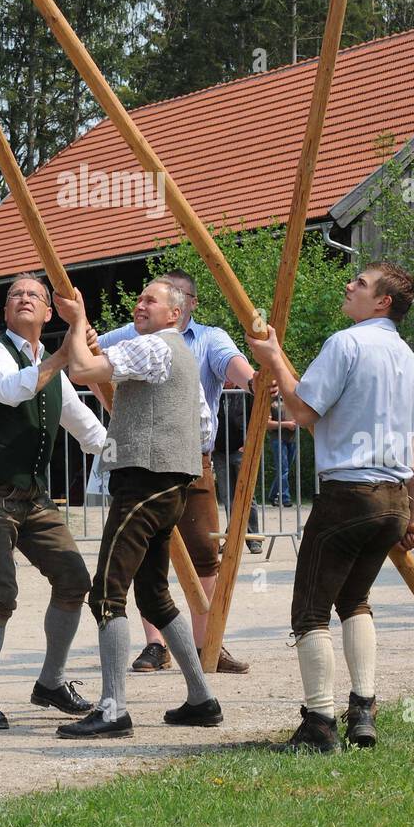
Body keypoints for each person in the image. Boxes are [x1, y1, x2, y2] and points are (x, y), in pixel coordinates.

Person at [249, 262, 414, 752]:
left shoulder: (346, 344)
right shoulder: (410, 361)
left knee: (310, 612)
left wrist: (275, 358)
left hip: (348, 494)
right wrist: (411, 514)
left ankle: (320, 724)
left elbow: (303, 411)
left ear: (383, 301)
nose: (349, 286)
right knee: (355, 602)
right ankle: (363, 711)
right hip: (391, 498)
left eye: (361, 284)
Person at [53, 280, 223, 739]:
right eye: (140, 298)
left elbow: (83, 370)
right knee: (154, 596)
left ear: (176, 315)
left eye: (151, 300)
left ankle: (113, 709)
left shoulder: (154, 349)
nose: (139, 304)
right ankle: (201, 699)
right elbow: (203, 428)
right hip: (169, 485)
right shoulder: (181, 357)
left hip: (144, 483)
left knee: (107, 591)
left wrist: (77, 319)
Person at [0, 273, 107, 730]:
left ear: (48, 313)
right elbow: (11, 389)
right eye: (15, 295)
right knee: (1, 591)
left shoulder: (53, 368)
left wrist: (144, 462)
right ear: (5, 313)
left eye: (34, 295)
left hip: (30, 492)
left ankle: (50, 681)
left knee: (74, 579)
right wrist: (67, 352)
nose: (24, 298)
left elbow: (90, 431)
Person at [96, 268, 255, 674]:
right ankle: (156, 646)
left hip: (191, 460)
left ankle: (209, 642)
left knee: (203, 553)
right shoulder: (135, 333)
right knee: (150, 562)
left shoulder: (209, 338)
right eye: (147, 297)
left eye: (168, 297)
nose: (147, 304)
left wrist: (257, 381)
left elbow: (235, 367)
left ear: (186, 306)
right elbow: (91, 356)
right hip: (147, 459)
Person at [214, 382, 263, 554]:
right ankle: (232, 539)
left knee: (248, 495)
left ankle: (254, 539)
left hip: (241, 450)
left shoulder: (246, 393)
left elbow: (256, 418)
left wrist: (249, 444)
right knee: (228, 497)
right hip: (219, 452)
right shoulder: (215, 390)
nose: (226, 379)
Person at [267, 383, 297, 510]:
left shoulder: (292, 398)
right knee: (283, 469)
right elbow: (267, 424)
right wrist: (286, 424)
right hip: (277, 439)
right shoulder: (270, 401)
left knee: (285, 470)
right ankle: (285, 498)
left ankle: (272, 495)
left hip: (293, 438)